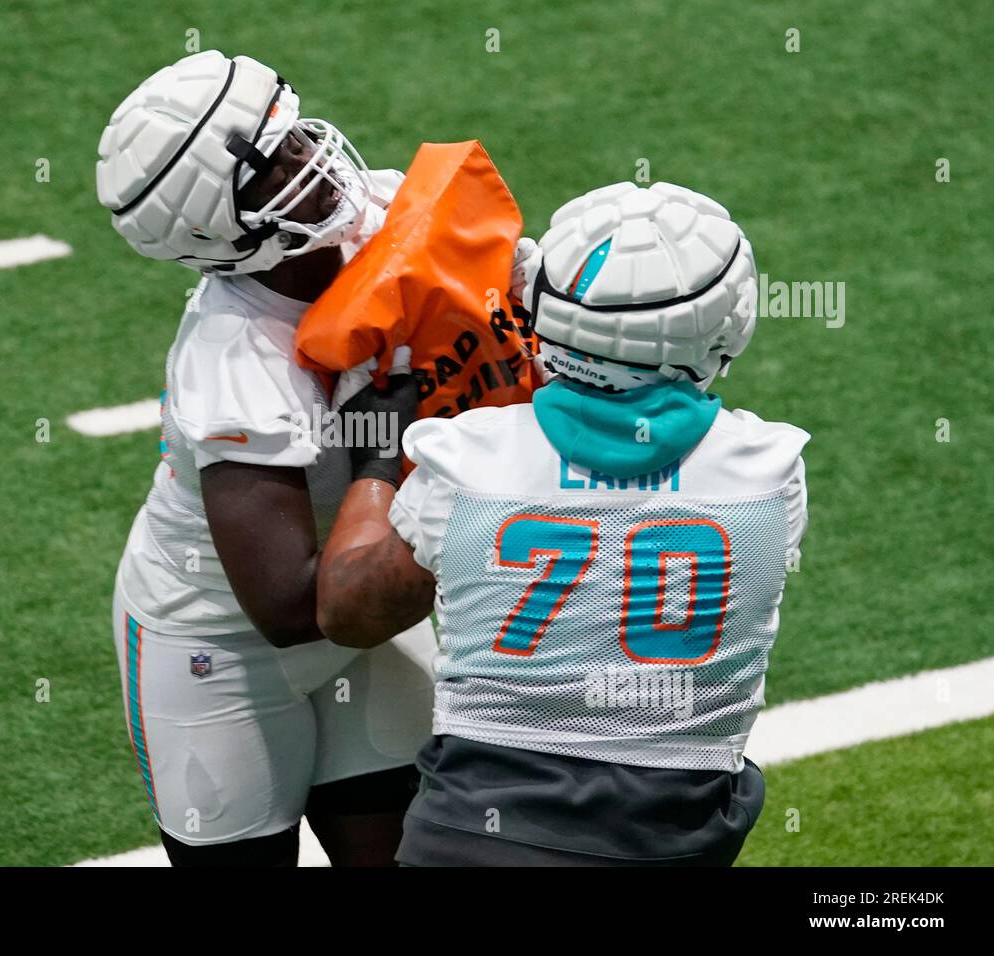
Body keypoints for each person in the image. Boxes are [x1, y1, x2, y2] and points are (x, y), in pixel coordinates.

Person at [317, 182, 810, 866]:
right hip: (669, 842)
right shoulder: (770, 470)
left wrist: (376, 457)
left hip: (470, 837)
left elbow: (349, 609)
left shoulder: (467, 460)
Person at [94, 50, 438, 867]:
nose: (310, 153)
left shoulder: (387, 213)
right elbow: (288, 607)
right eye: (272, 162)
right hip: (220, 647)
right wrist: (379, 454)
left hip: (363, 605)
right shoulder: (233, 361)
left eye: (292, 132)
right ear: (221, 227)